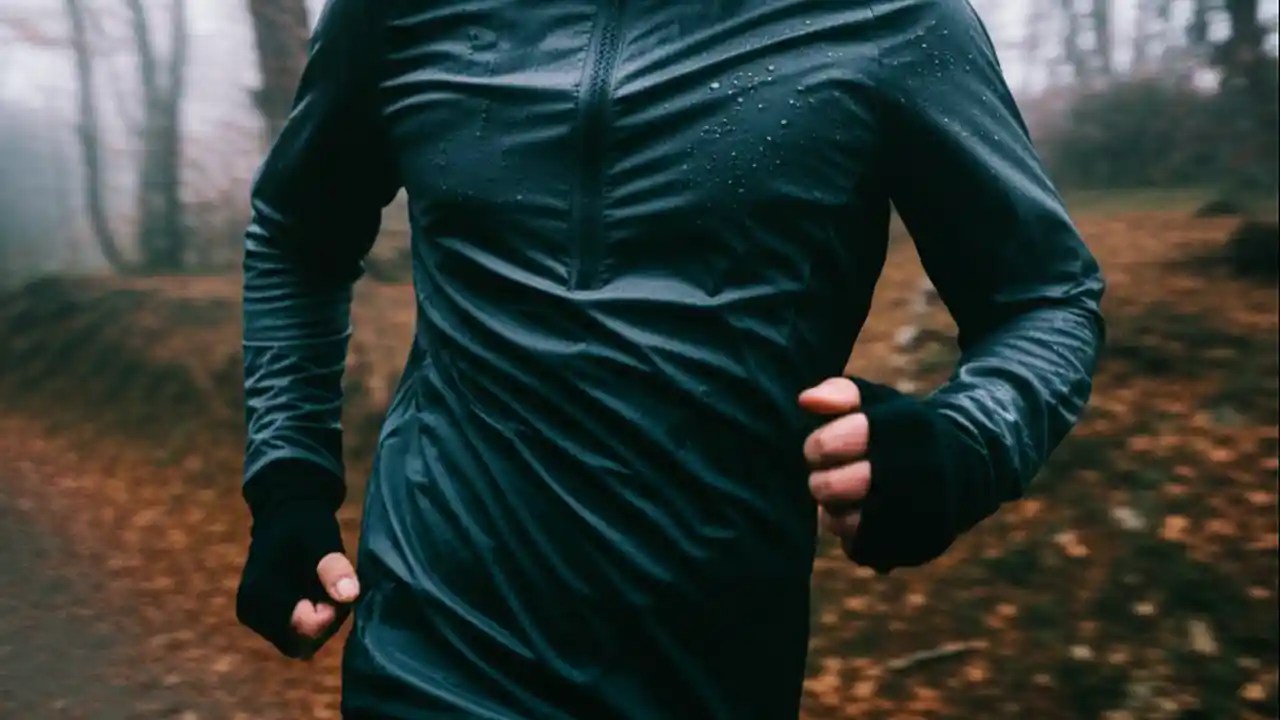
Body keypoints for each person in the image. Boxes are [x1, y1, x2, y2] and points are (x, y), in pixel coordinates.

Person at [235, 1, 1106, 718]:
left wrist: (961, 446)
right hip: (431, 645)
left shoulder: (896, 20)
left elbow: (1045, 299)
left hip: (703, 670)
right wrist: (289, 483)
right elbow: (298, 231)